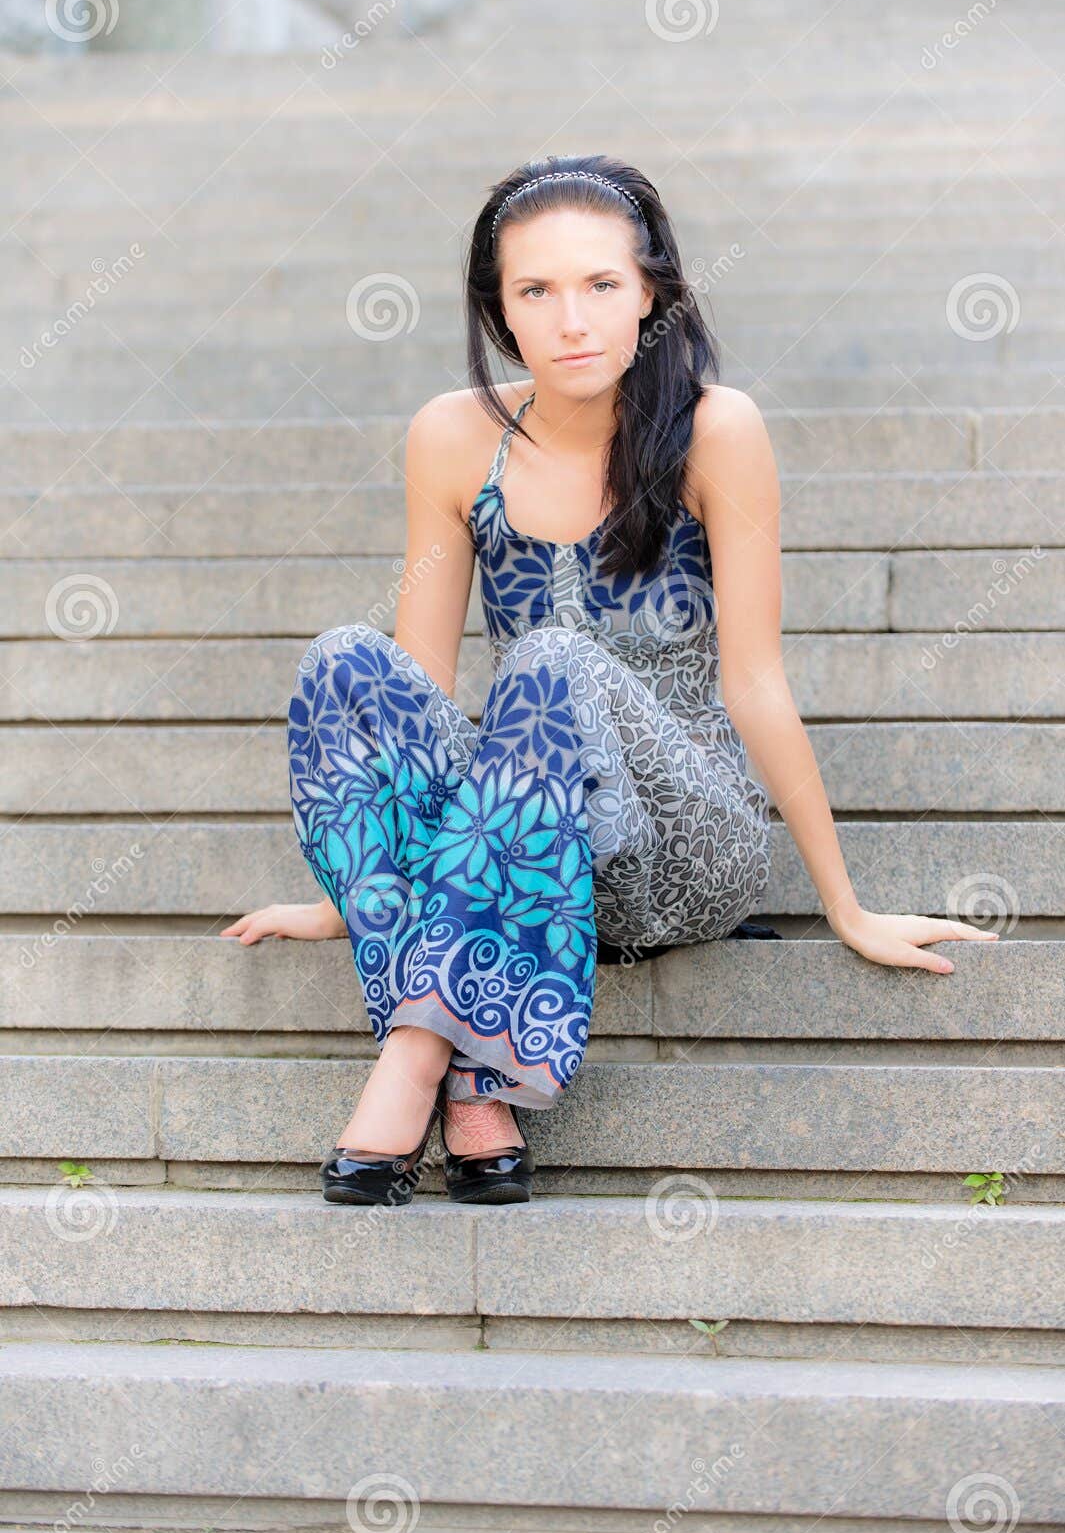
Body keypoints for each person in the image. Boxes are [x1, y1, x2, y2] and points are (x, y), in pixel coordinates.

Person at [221, 153, 1000, 1209]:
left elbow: (756, 682)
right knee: (344, 664)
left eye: (599, 284)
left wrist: (846, 906)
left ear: (651, 292)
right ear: (499, 308)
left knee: (546, 658)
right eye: (535, 290)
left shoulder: (717, 429)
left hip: (685, 837)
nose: (570, 319)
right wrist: (349, 885)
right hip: (532, 838)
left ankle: (415, 1056)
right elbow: (415, 692)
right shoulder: (452, 436)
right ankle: (477, 1101)